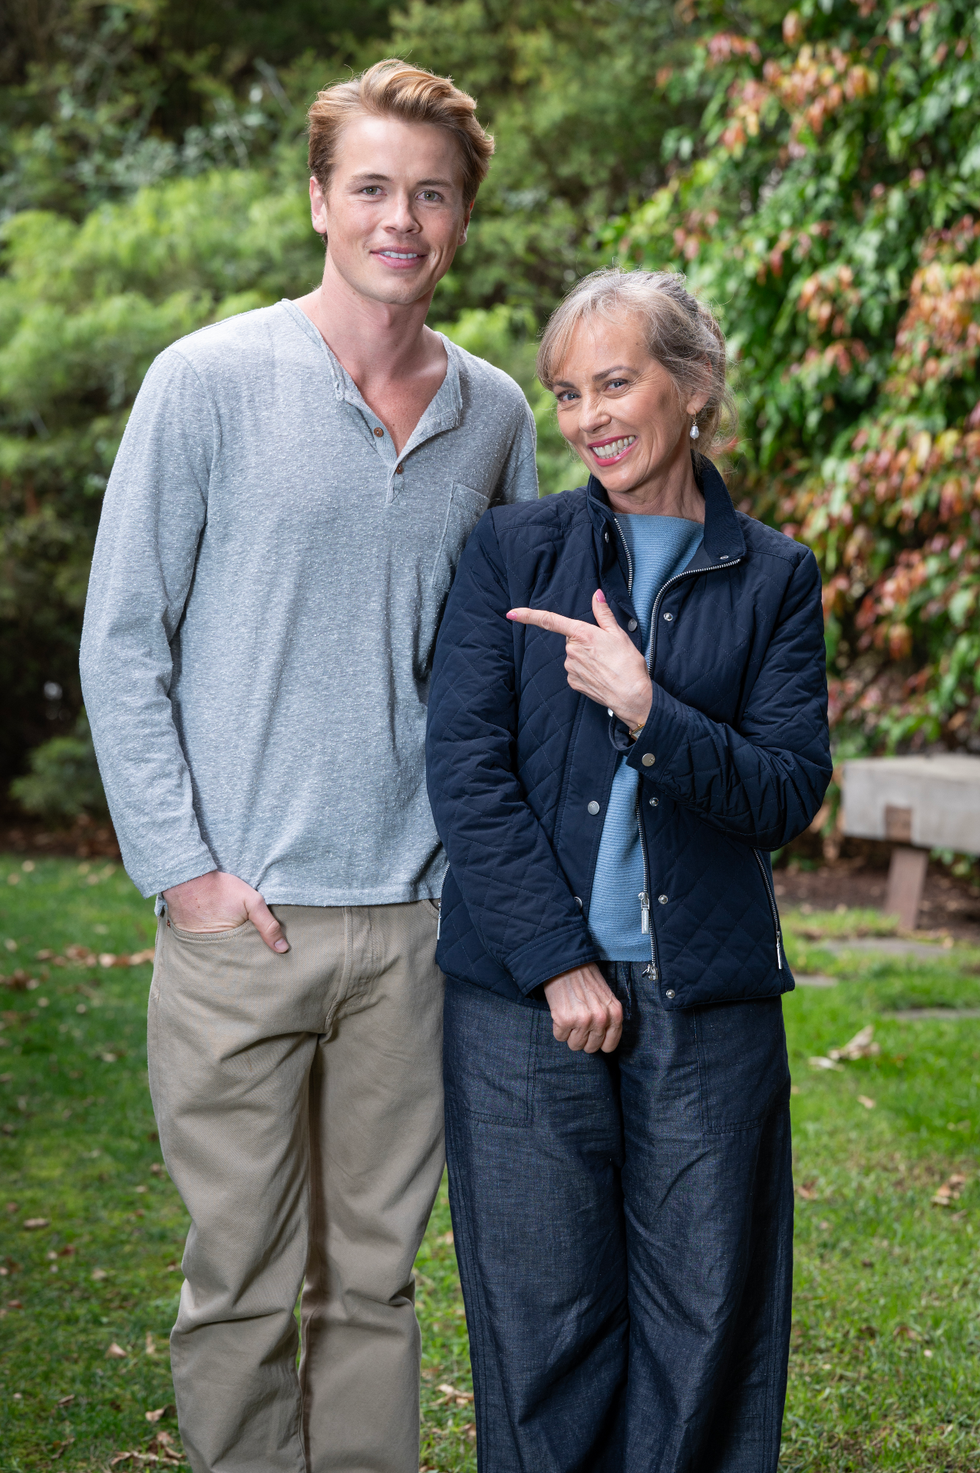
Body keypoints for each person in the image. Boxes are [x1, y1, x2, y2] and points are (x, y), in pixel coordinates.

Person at [79, 58, 538, 1473]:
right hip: (243, 919)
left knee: (377, 1283)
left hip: (418, 924)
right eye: (375, 188)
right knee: (238, 1286)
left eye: (434, 194)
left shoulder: (499, 416)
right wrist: (189, 876)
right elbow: (121, 642)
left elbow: (502, 674)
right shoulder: (208, 380)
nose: (403, 218)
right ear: (322, 201)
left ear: (461, 218)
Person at [426, 267, 832, 1472]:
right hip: (520, 1005)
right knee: (539, 1329)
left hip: (704, 998)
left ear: (691, 385)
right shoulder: (512, 553)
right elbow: (466, 778)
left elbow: (781, 794)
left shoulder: (773, 579)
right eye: (566, 393)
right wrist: (556, 965)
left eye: (616, 381)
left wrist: (650, 709)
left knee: (706, 1325)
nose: (590, 416)